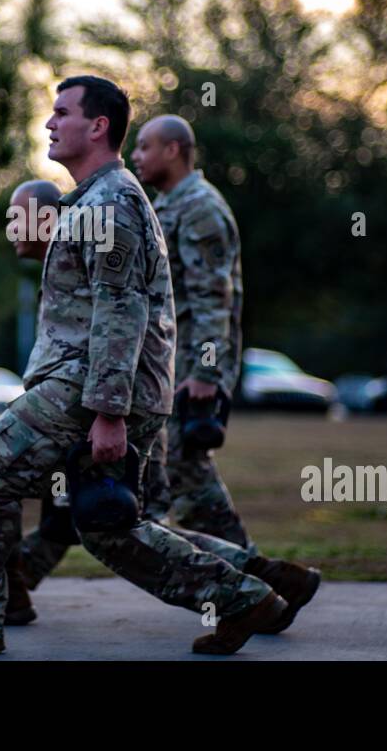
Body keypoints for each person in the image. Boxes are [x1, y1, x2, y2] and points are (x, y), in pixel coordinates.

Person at [0, 75, 283, 656]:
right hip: (96, 385)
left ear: (97, 126)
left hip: (88, 388)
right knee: (106, 528)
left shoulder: (111, 202)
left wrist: (108, 412)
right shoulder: (95, 200)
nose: (49, 123)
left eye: (61, 112)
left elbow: (120, 309)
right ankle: (242, 596)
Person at [3, 179, 310, 635]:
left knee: (98, 516)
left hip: (119, 407)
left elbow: (130, 324)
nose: (10, 229)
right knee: (121, 518)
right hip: (129, 402)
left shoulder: (101, 235)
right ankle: (260, 578)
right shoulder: (75, 247)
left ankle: (248, 592)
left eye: (15, 217)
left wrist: (117, 410)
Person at [132, 113, 321, 628]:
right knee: (193, 489)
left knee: (179, 485)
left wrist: (206, 375)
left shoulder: (200, 209)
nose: (137, 156)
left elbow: (214, 296)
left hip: (189, 369)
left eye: (145, 147)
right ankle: (271, 586)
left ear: (175, 150)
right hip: (173, 366)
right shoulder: (172, 205)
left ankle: (262, 590)